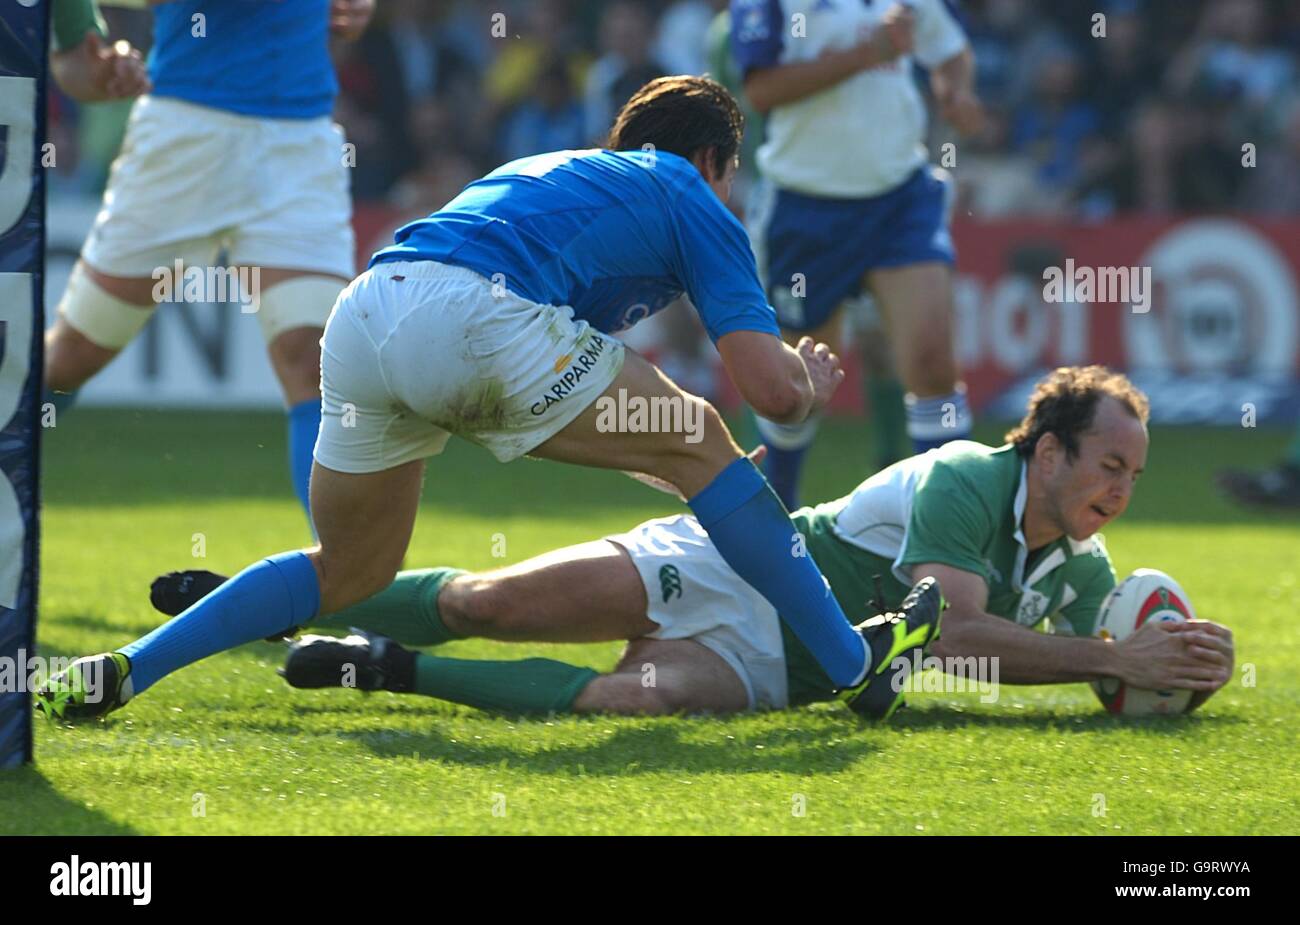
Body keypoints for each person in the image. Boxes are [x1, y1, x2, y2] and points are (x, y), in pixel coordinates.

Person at [37, 76, 907, 724]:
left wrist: (690, 470)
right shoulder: (690, 194)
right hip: (473, 317)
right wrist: (804, 390)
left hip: (369, 311)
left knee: (348, 571)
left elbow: (590, 403)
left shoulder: (565, 177)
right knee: (704, 435)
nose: (729, 197)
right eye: (730, 177)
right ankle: (852, 663)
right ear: (713, 162)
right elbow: (765, 389)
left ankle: (120, 668)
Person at [280, 366, 1234, 717]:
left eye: (1134, 476)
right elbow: (948, 638)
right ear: (1052, 450)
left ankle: (384, 668)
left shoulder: (1082, 566)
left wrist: (1185, 665)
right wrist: (1107, 655)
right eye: (1111, 464)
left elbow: (1110, 672)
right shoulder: (967, 476)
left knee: (628, 702)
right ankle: (267, 603)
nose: (1123, 488)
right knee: (486, 602)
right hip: (731, 567)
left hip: (788, 671)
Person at [43, 0, 374, 524]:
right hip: (184, 137)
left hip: (300, 140)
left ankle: (348, 578)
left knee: (316, 363)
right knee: (69, 360)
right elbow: (79, 38)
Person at [731, 0, 986, 508]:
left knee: (933, 361)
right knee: (798, 384)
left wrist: (955, 90)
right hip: (807, 204)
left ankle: (950, 522)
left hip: (900, 195)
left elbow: (950, 49)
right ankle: (777, 514)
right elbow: (760, 90)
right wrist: (866, 51)